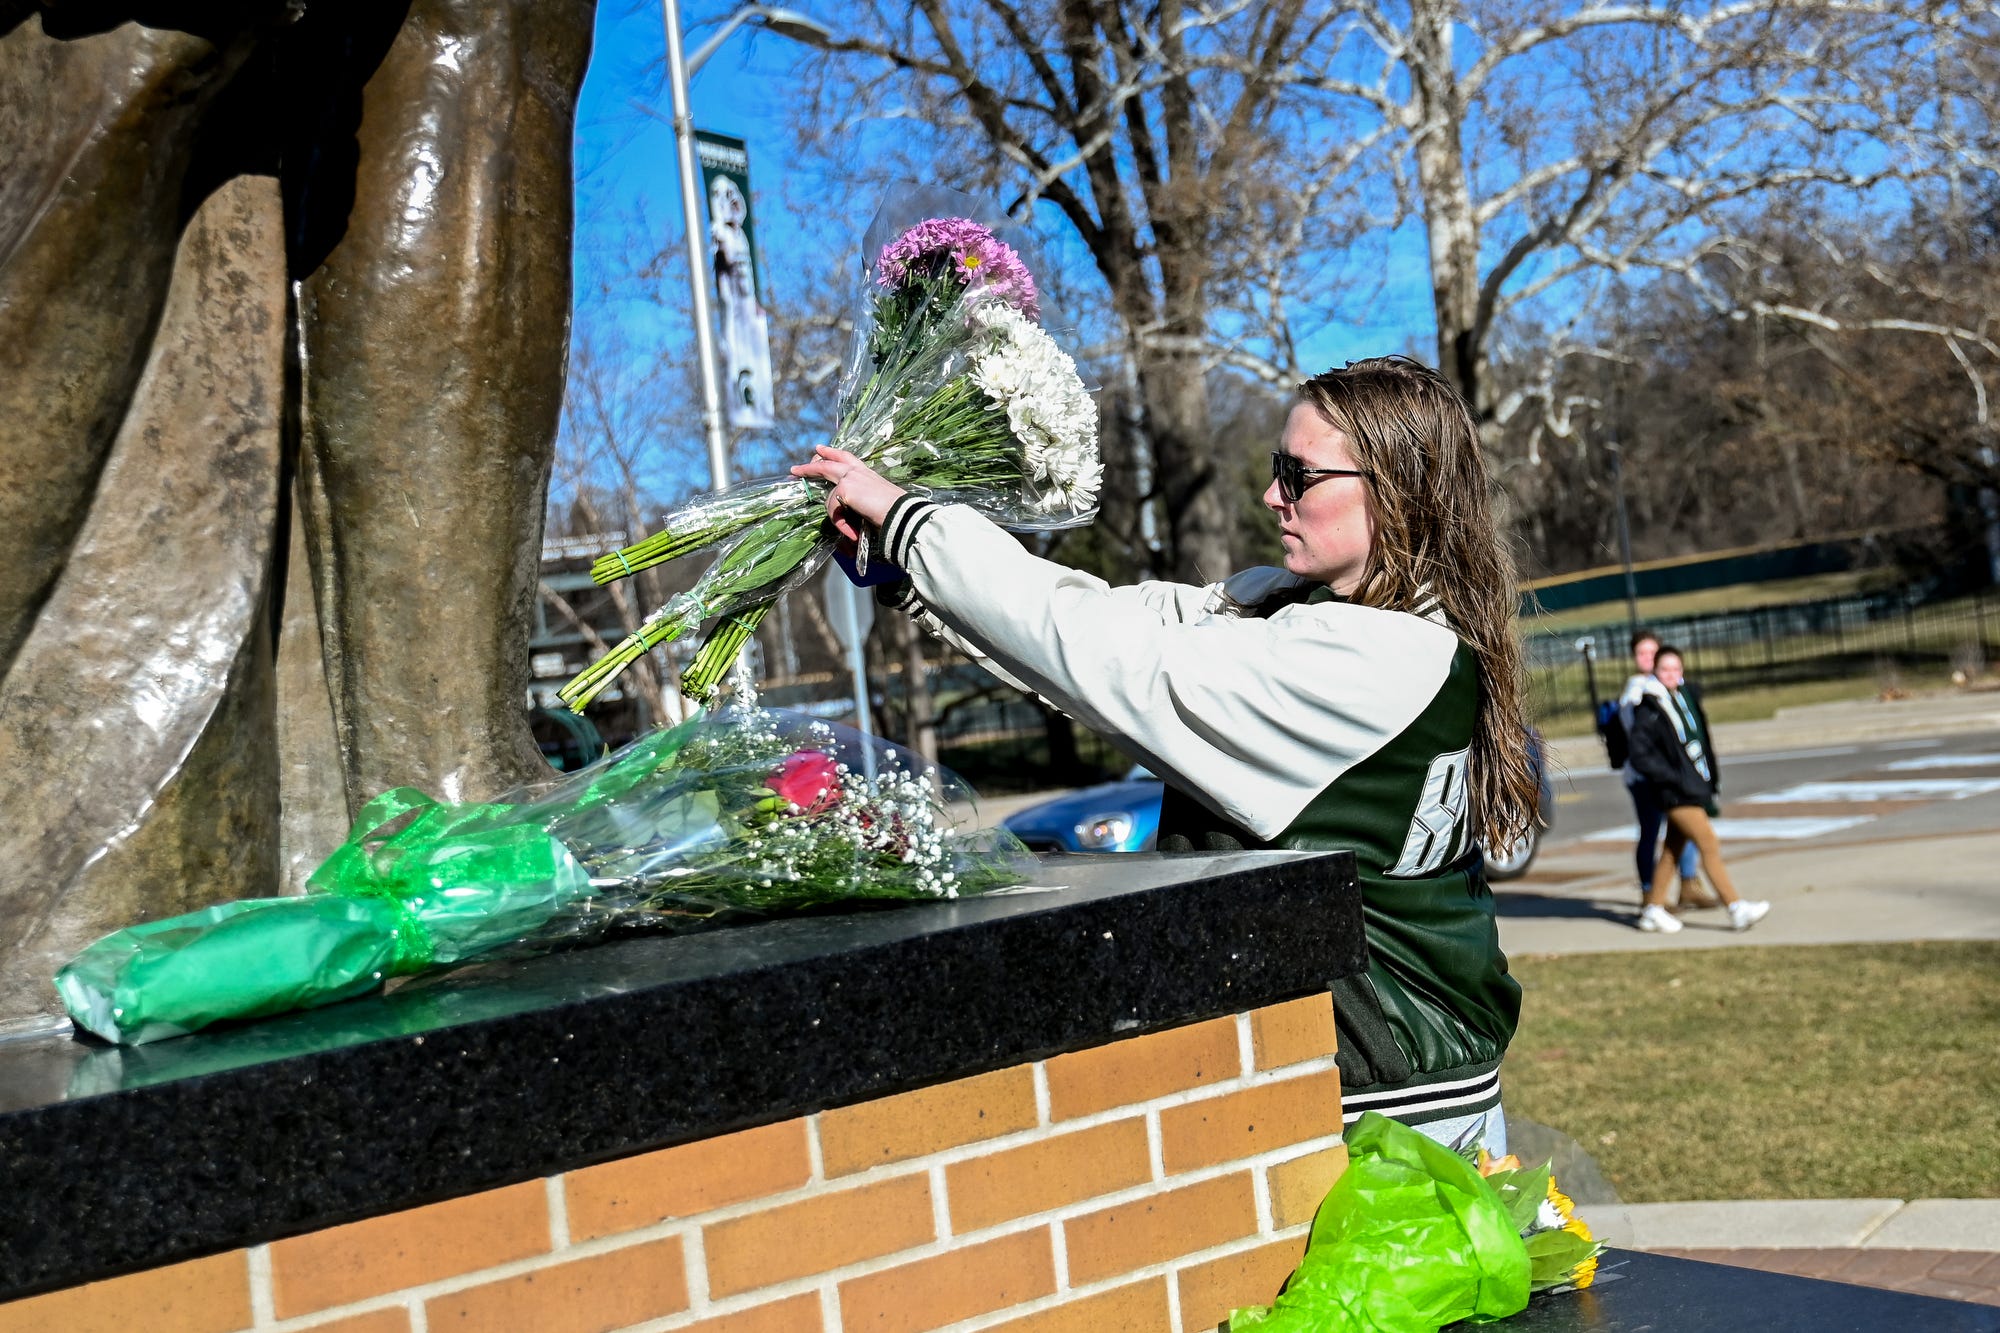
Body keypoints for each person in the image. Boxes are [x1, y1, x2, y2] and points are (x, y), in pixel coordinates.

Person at [795, 356, 1538, 1154]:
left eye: (1298, 474)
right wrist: (912, 573)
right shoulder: (1311, 612)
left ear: (1397, 487)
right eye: (1273, 468)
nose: (1272, 494)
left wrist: (913, 521)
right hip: (1371, 1081)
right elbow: (1099, 627)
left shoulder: (1371, 657)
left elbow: (1113, 663)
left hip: (1389, 1105)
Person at [1625, 646, 1771, 933]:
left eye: (1676, 669)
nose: (1671, 675)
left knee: (1672, 849)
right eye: (1665, 669)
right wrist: (1671, 777)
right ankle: (1735, 907)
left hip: (1691, 786)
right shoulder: (1649, 707)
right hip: (1674, 792)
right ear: (1655, 671)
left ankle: (1652, 909)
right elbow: (1640, 755)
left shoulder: (1684, 698)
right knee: (1708, 842)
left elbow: (1700, 741)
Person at [1617, 630, 1711, 909]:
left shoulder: (1671, 684)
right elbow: (1642, 738)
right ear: (1634, 657)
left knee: (1683, 829)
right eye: (1641, 653)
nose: (1647, 657)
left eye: (1652, 652)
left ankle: (1688, 883)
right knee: (1650, 830)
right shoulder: (1636, 692)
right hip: (1644, 777)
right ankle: (1649, 893)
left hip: (1676, 775)